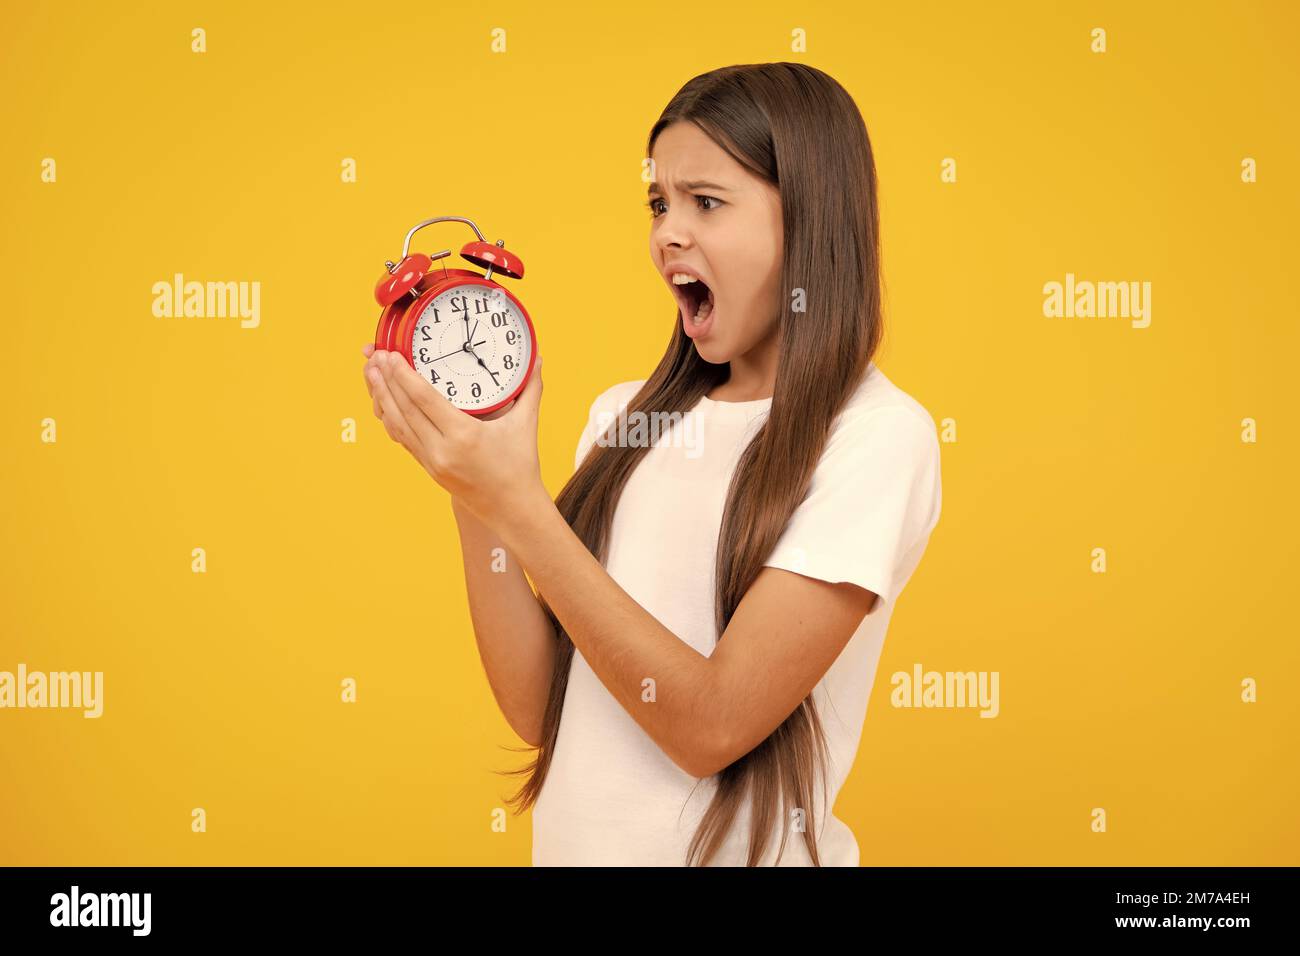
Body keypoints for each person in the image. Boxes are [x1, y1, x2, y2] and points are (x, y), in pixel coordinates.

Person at [362, 62, 943, 866]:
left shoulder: (877, 437)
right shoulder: (624, 419)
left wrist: (521, 504)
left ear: (810, 220)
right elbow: (546, 711)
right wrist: (473, 487)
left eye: (706, 202)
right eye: (659, 202)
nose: (669, 231)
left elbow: (711, 726)